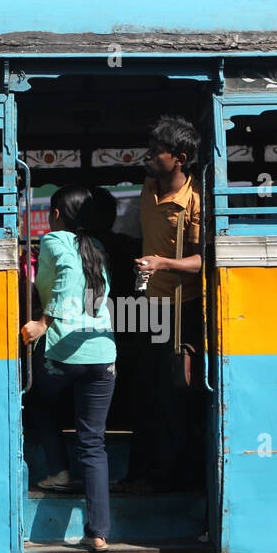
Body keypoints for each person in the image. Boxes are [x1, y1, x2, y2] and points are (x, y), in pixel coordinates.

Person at [21, 185, 117, 551]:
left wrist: (45, 320)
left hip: (64, 355)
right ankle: (99, 532)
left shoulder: (53, 241)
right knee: (93, 444)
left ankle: (58, 470)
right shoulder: (97, 247)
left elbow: (65, 277)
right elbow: (95, 297)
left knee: (35, 399)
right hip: (103, 355)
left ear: (57, 213)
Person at [116, 115, 206, 494]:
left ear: (180, 158)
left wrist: (162, 263)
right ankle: (140, 475)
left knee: (174, 396)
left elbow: (205, 260)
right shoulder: (148, 187)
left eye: (157, 152)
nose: (149, 157)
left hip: (183, 310)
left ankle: (171, 480)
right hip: (148, 308)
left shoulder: (197, 202)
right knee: (144, 393)